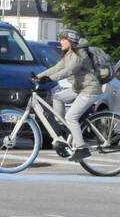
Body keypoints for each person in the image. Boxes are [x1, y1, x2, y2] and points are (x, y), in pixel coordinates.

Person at [32, 28, 103, 160]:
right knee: (58, 97)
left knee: (71, 117)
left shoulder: (79, 56)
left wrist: (51, 79)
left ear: (71, 41)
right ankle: (62, 127)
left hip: (89, 89)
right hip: (79, 88)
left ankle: (82, 149)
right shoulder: (69, 54)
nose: (61, 42)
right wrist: (38, 76)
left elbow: (69, 71)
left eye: (63, 39)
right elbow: (57, 67)